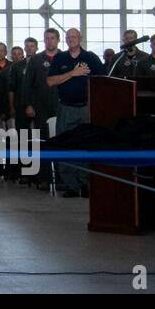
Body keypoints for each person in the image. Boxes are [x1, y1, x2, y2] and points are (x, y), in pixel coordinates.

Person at [47, 28, 104, 197]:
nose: (71, 39)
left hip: (86, 108)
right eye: (68, 37)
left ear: (80, 38)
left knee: (86, 146)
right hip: (66, 108)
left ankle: (86, 183)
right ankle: (71, 185)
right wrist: (73, 73)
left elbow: (102, 81)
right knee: (66, 144)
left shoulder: (91, 58)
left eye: (74, 36)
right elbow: (50, 81)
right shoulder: (60, 58)